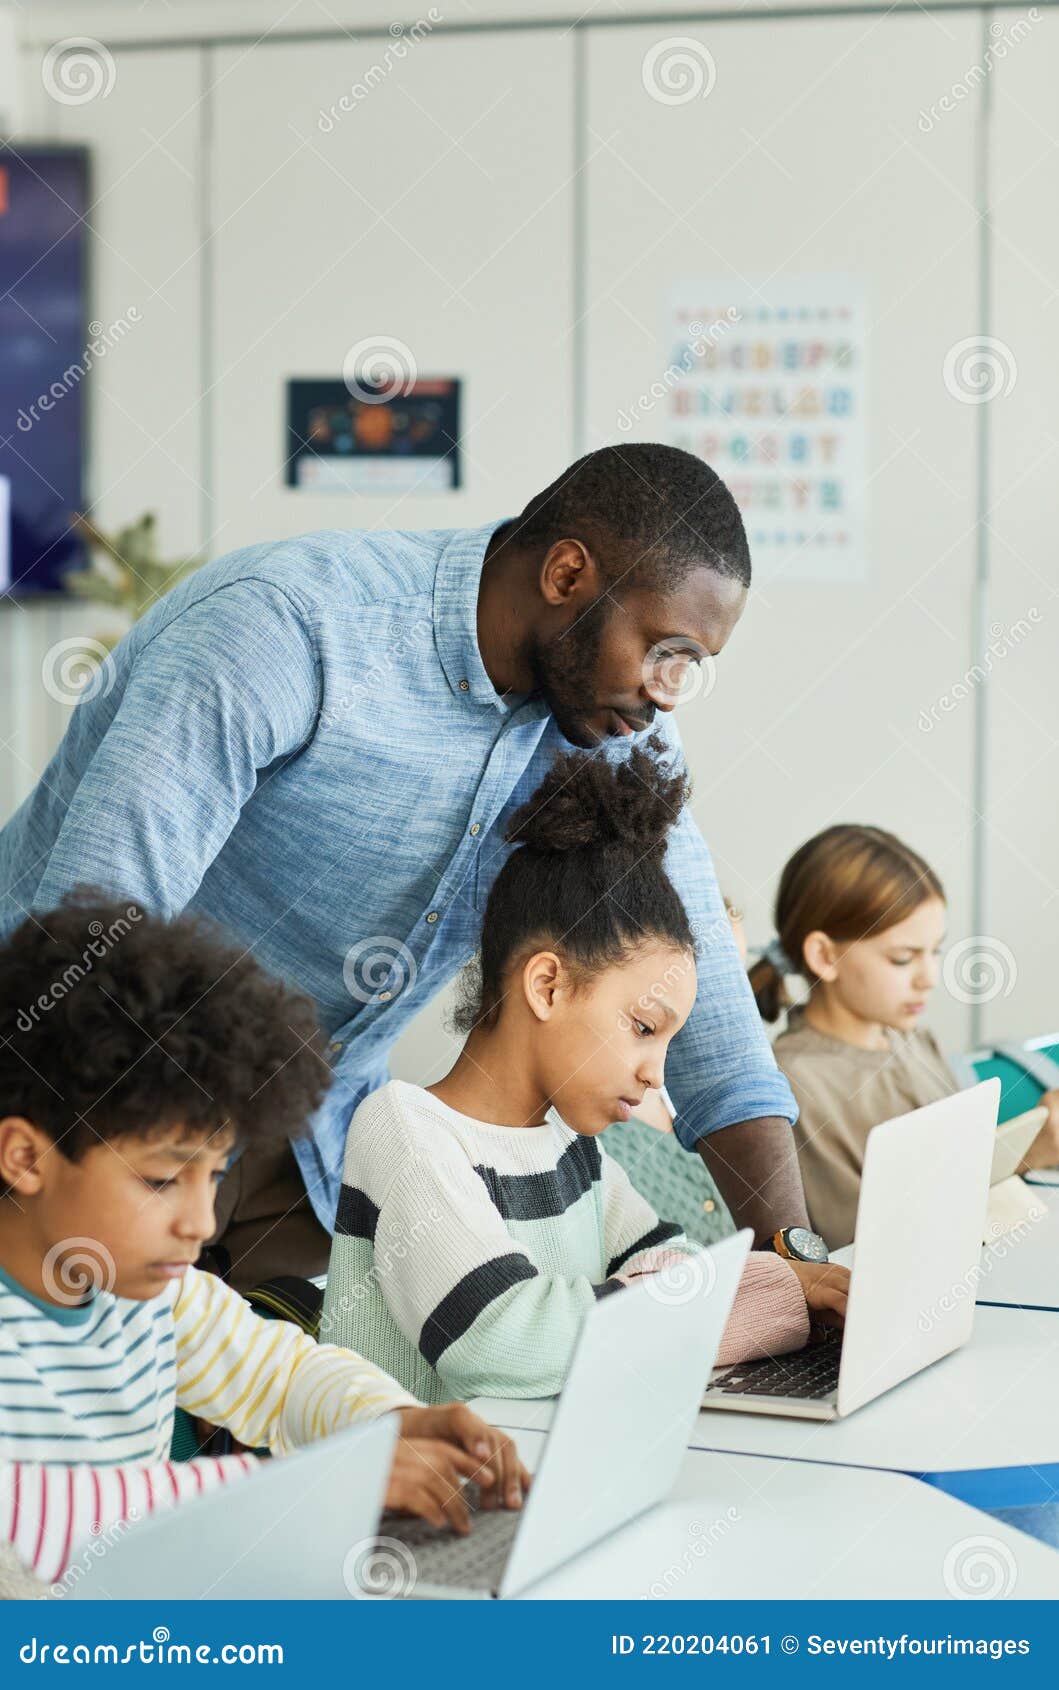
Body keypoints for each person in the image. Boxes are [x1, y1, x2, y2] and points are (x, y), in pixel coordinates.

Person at [0, 445, 810, 1287]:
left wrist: (791, 1259)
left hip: (308, 1135)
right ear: (567, 575)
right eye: (662, 649)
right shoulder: (285, 627)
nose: (667, 692)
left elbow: (702, 978)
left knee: (298, 1400)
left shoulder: (609, 723)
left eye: (690, 666)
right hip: (85, 1100)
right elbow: (90, 932)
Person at [0, 894, 527, 1584]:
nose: (201, 1223)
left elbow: (282, 1379)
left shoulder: (156, 1295)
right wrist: (312, 1487)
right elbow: (22, 1516)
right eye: (161, 1180)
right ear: (26, 1158)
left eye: (212, 1176)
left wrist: (387, 1422)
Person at [322, 742, 849, 1401]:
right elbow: (502, 1342)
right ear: (547, 986)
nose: (657, 1075)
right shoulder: (404, 1129)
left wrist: (672, 1295)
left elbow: (679, 1264)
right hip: (419, 1498)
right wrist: (755, 1293)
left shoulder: (575, 1150)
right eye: (642, 1028)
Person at [749, 824, 1059, 1249]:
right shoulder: (794, 1086)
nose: (930, 978)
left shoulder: (914, 1043)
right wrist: (1024, 1157)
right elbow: (870, 1251)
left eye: (935, 952)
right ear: (824, 955)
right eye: (903, 958)